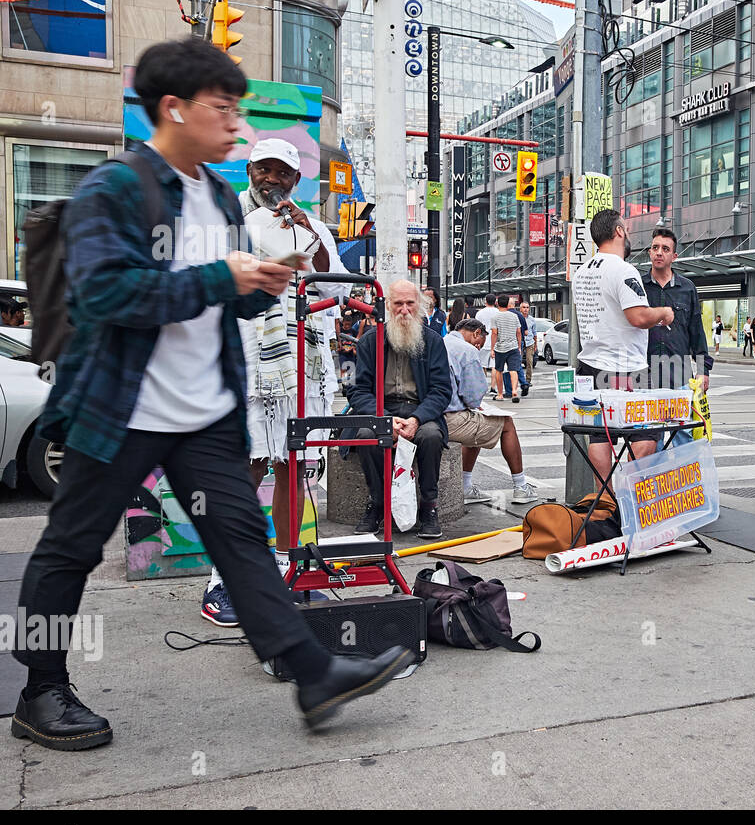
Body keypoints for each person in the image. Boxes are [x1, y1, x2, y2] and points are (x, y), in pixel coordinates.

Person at [11, 38, 409, 750]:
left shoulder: (218, 195)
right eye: (222, 109)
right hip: (123, 409)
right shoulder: (118, 188)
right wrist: (223, 280)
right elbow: (105, 295)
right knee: (71, 545)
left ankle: (313, 673)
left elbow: (220, 303)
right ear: (173, 108)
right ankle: (40, 689)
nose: (235, 124)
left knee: (243, 542)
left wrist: (258, 289)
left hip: (205, 413)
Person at [201, 136, 351, 627]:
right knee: (248, 466)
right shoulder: (224, 219)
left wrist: (314, 237)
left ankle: (289, 565)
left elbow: (335, 286)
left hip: (299, 364)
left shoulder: (312, 226)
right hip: (246, 362)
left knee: (292, 465)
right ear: (249, 170)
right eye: (264, 169)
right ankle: (225, 577)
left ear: (296, 180)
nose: (273, 179)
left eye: (283, 173)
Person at [570, 209, 674, 485]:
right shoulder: (623, 269)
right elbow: (638, 317)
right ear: (618, 231)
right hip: (626, 367)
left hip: (591, 365)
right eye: (625, 229)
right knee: (645, 434)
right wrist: (662, 312)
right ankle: (632, 496)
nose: (628, 234)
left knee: (599, 435)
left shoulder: (581, 273)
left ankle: (604, 500)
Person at [349, 279, 453, 540]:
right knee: (364, 435)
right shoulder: (369, 342)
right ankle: (378, 503)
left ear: (419, 305)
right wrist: (384, 418)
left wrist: (417, 419)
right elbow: (356, 390)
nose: (404, 310)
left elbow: (441, 390)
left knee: (430, 437)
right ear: (387, 306)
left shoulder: (432, 341)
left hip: (421, 411)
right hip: (380, 411)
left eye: (410, 303)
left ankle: (429, 505)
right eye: (398, 304)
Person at [443, 318, 539, 504]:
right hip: (450, 418)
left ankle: (466, 485)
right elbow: (473, 396)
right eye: (480, 343)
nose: (479, 348)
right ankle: (520, 486)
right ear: (476, 333)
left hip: (433, 414)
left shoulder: (441, 342)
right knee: (507, 424)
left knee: (478, 423)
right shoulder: (467, 350)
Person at [641, 227, 711, 446]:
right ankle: (652, 480)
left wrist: (703, 370)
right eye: (655, 248)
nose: (659, 252)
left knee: (683, 436)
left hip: (679, 376)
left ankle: (685, 481)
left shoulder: (687, 288)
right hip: (646, 375)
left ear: (674, 256)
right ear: (649, 253)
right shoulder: (639, 287)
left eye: (665, 249)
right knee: (651, 437)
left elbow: (696, 332)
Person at [490, 294, 523, 403]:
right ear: (508, 304)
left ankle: (500, 394)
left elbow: (494, 333)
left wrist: (492, 348)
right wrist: (519, 346)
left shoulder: (495, 317)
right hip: (513, 347)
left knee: (499, 370)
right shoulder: (514, 316)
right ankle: (514, 391)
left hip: (500, 348)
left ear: (497, 304)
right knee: (513, 370)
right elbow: (518, 332)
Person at [519, 299, 537, 390]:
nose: (526, 309)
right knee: (518, 361)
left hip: (530, 342)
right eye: (524, 307)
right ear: (520, 309)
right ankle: (520, 380)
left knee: (529, 361)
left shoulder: (532, 320)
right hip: (520, 341)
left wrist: (536, 345)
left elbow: (534, 333)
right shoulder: (517, 318)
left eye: (527, 307)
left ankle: (528, 380)